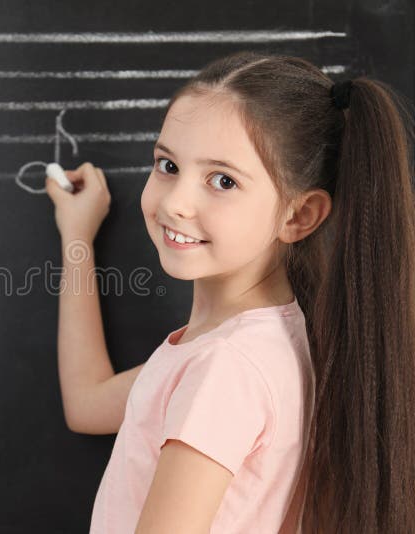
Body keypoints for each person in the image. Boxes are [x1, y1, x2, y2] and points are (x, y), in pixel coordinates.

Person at [45, 50, 415, 533]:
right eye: (167, 165)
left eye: (222, 180)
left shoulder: (225, 368)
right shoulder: (259, 345)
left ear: (298, 216)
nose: (176, 203)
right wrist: (77, 238)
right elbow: (88, 404)